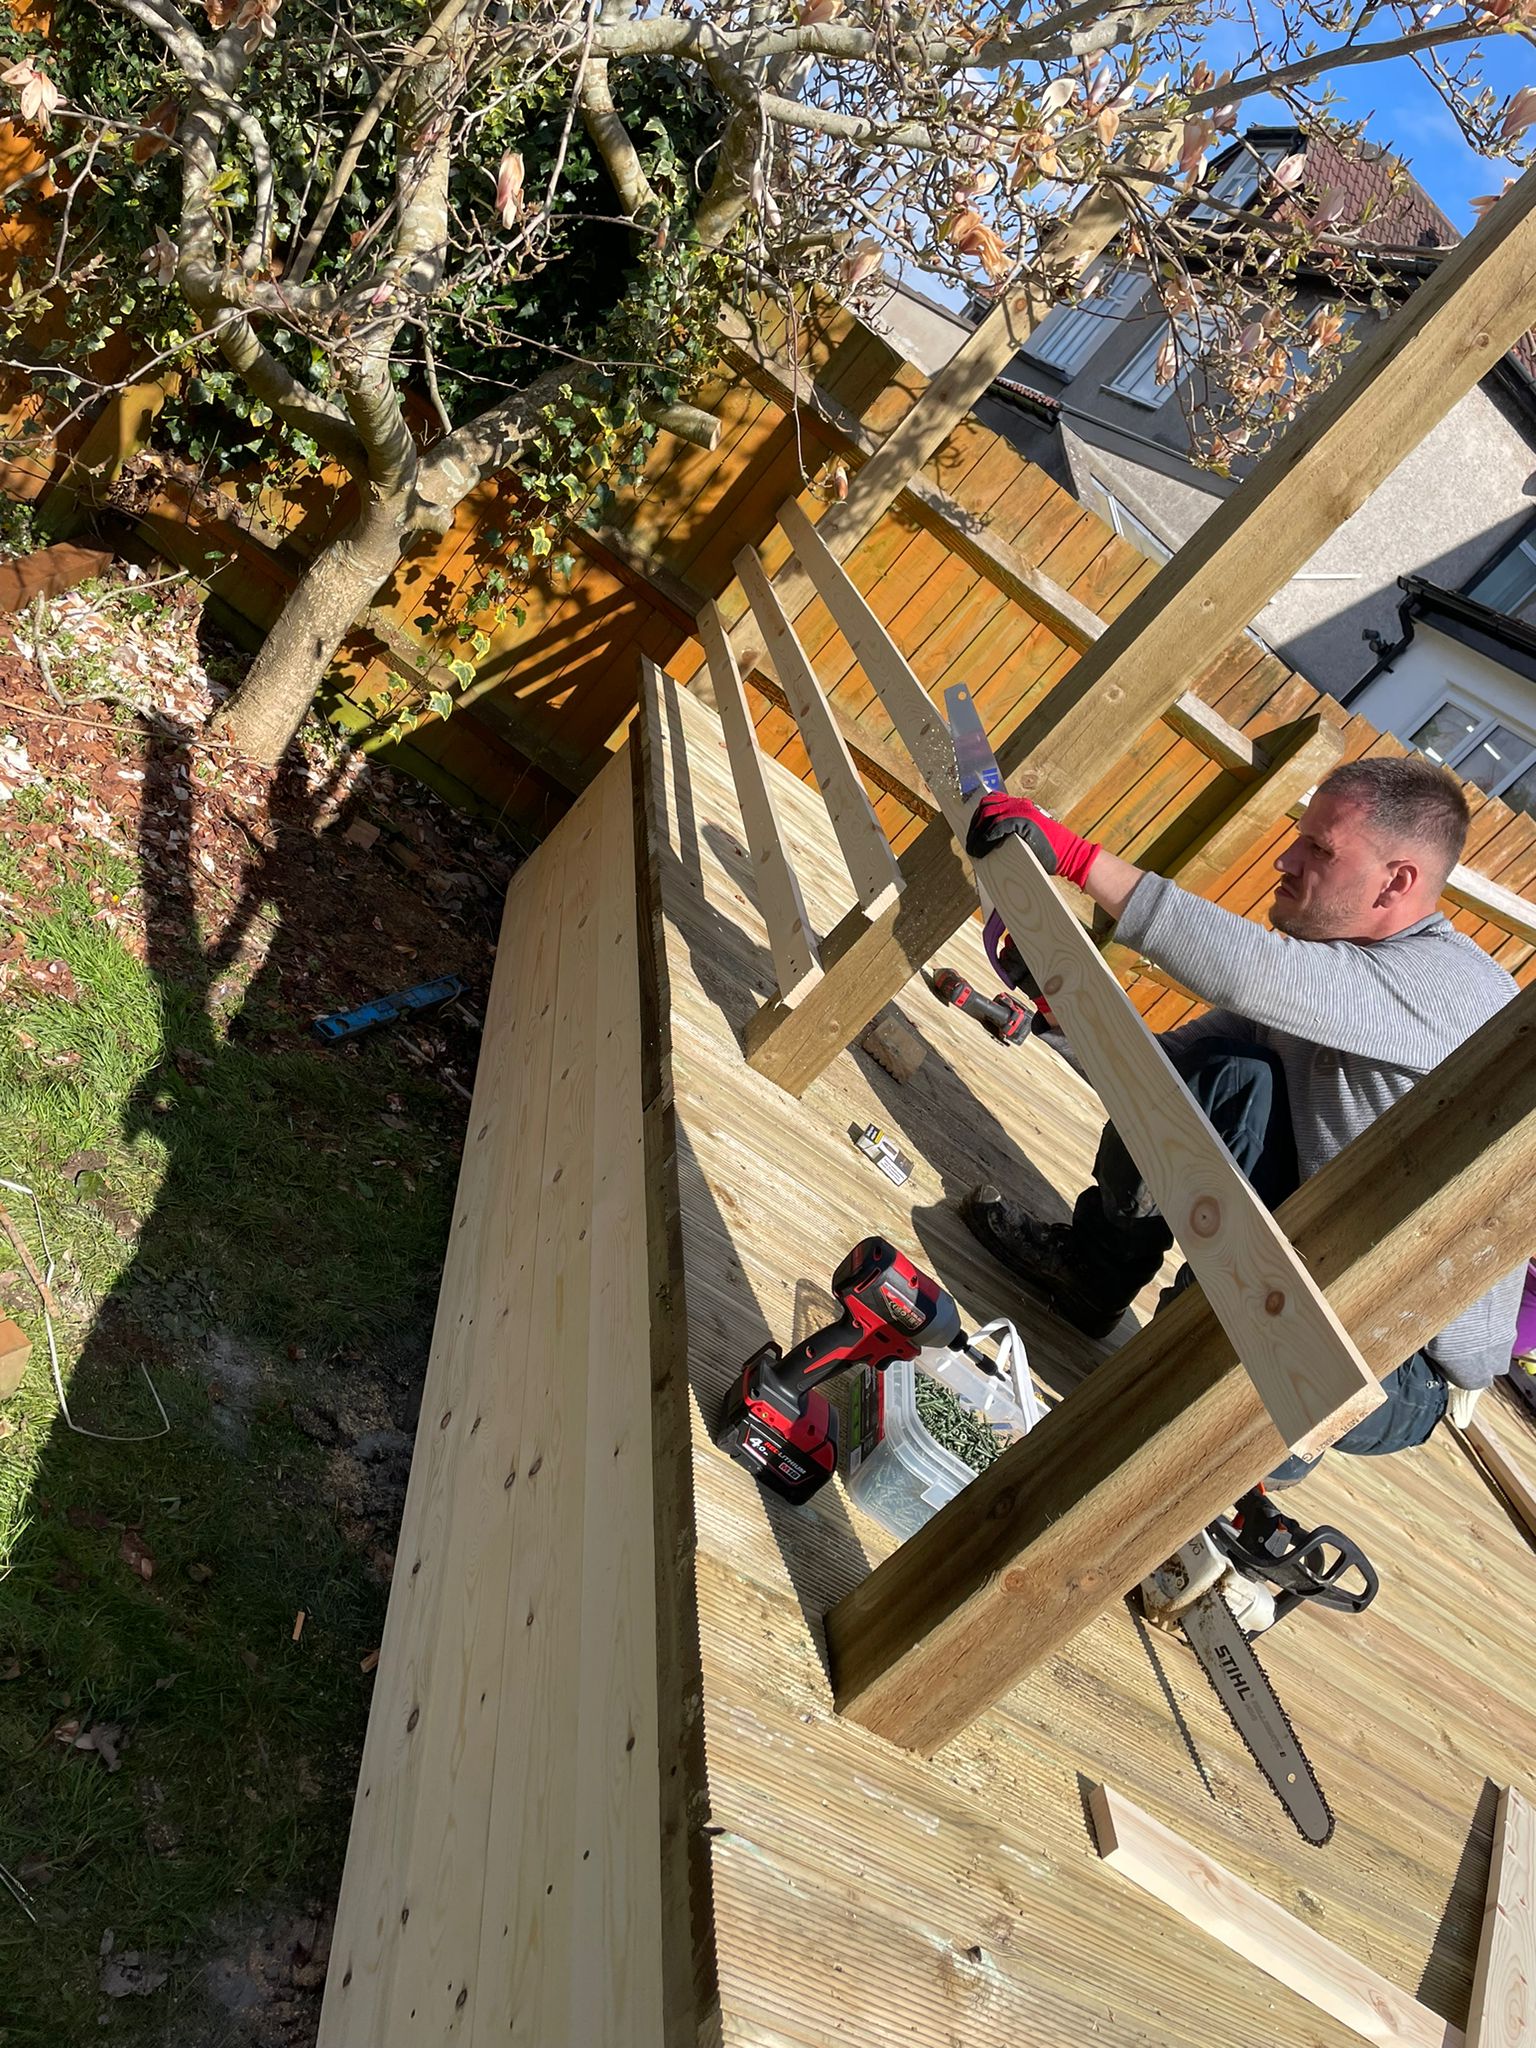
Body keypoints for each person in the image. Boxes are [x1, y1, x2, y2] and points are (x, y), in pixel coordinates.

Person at [960, 754, 1524, 1482]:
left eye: (1319, 849)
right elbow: (1163, 1072)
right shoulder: (1328, 974)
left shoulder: (1459, 993)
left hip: (1393, 1350)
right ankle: (1092, 1276)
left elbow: (1257, 971)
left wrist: (1077, 860)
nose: (1285, 861)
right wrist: (1066, 1017)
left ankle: (1230, 1424)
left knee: (1180, 1429)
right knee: (1224, 1073)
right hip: (1315, 1235)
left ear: (1396, 883)